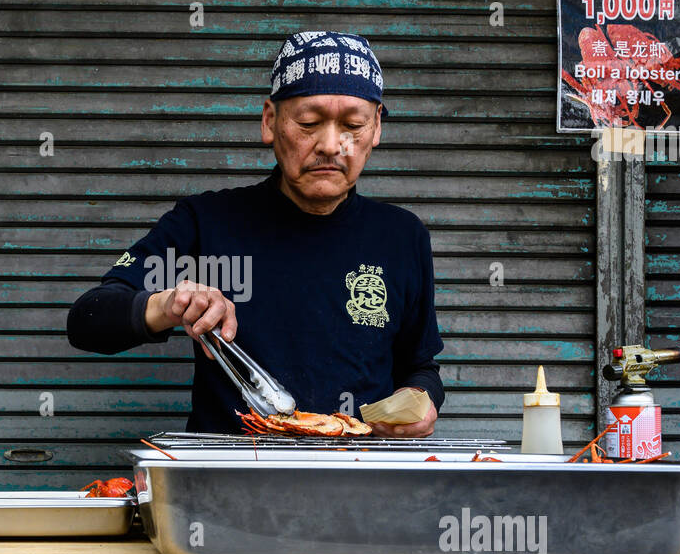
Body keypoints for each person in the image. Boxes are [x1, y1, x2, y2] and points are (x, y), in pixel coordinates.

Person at [66, 30, 444, 437]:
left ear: (377, 129)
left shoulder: (402, 236)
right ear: (270, 121)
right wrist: (169, 304)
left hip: (359, 478)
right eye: (309, 123)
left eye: (353, 124)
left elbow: (421, 367)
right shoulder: (207, 222)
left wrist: (420, 400)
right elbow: (89, 319)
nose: (332, 145)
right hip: (227, 480)